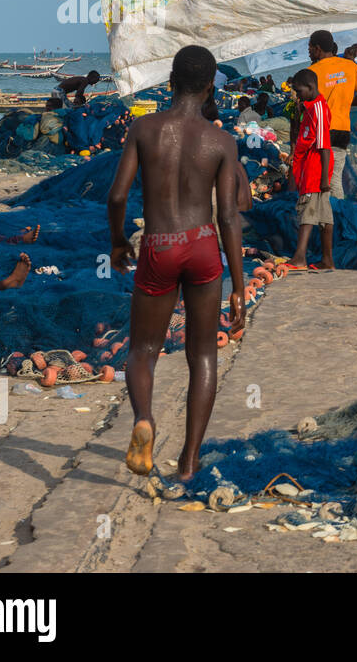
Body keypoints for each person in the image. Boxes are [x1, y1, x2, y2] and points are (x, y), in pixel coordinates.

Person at [107, 45, 246, 483]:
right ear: (209, 88)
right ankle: (188, 463)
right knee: (203, 354)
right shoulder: (222, 141)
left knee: (143, 350)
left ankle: (144, 420)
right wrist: (238, 283)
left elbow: (116, 196)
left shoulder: (144, 129)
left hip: (160, 244)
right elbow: (228, 215)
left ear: (170, 81)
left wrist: (116, 243)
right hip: (204, 244)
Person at [285, 68, 334, 270]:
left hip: (316, 169)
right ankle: (327, 260)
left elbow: (323, 145)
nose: (297, 94)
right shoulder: (309, 107)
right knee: (324, 215)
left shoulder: (319, 109)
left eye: (299, 90)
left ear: (311, 87)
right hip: (311, 167)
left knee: (308, 211)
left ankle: (299, 257)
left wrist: (323, 178)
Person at [306, 29, 357, 156]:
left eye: (310, 47)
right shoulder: (351, 66)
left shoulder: (311, 71)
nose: (308, 51)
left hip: (322, 129)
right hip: (343, 129)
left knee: (319, 171)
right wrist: (345, 102)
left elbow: (307, 104)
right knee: (336, 171)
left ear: (317, 48)